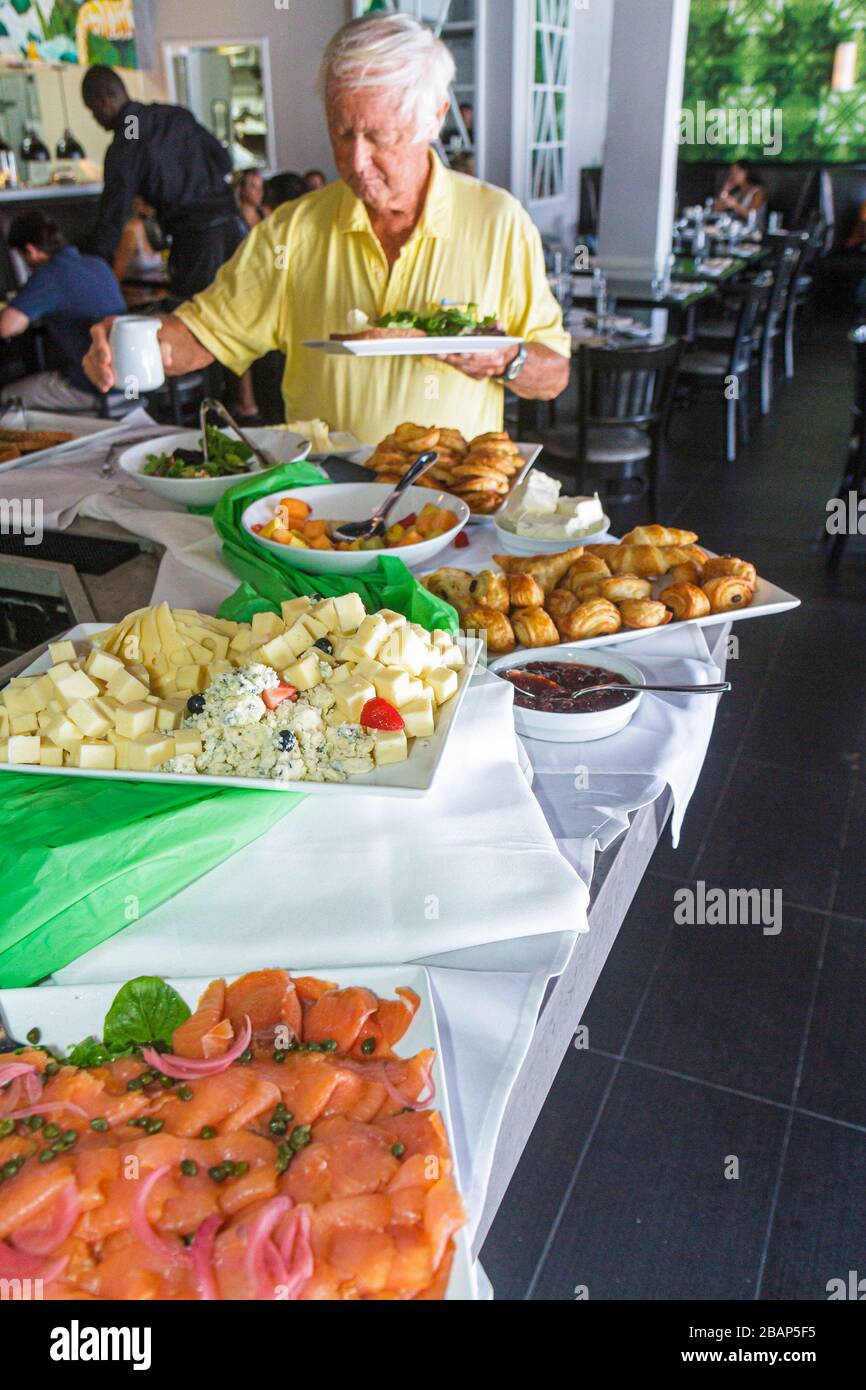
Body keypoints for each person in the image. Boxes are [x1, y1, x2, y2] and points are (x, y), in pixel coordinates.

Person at [83, 13, 570, 441]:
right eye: (341, 132)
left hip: (451, 510)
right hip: (320, 513)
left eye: (380, 136)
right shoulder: (291, 231)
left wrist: (506, 360)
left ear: (434, 117)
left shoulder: (497, 222)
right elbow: (202, 336)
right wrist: (130, 338)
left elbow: (555, 375)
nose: (356, 161)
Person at [81, 65, 243, 298]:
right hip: (233, 230)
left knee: (193, 319)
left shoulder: (130, 133)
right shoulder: (175, 115)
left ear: (105, 100)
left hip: (197, 241)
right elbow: (223, 160)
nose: (95, 118)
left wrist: (93, 264)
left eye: (92, 110)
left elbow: (115, 209)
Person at [0, 211, 125, 410]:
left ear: (31, 250)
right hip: (131, 384)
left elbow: (6, 327)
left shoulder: (49, 275)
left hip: (96, 388)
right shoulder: (97, 263)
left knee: (7, 396)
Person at [713, 159, 766, 224]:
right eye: (732, 172)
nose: (733, 175)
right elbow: (716, 211)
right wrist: (725, 190)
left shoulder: (758, 192)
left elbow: (751, 217)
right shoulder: (737, 193)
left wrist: (735, 206)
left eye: (737, 172)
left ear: (747, 172)